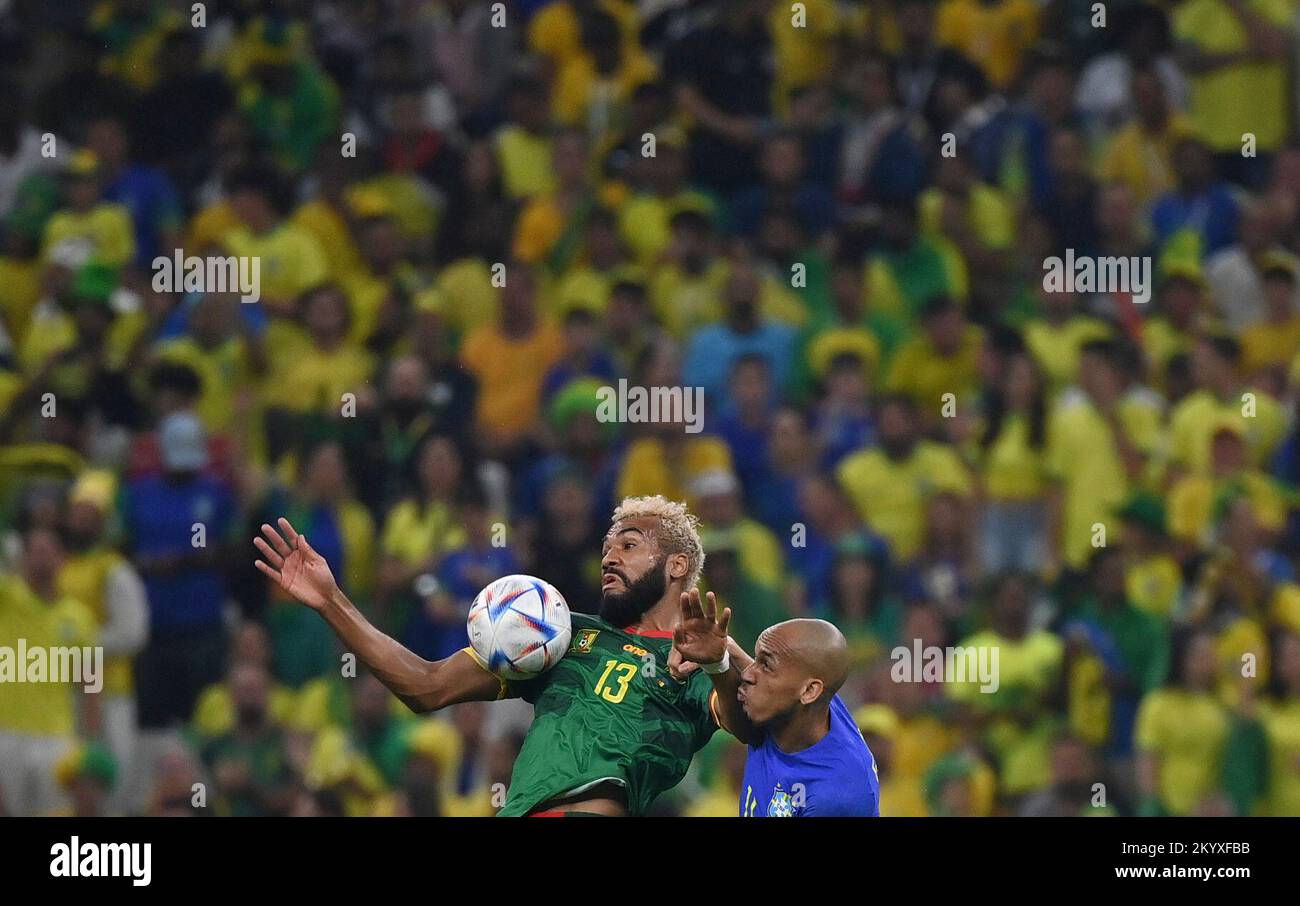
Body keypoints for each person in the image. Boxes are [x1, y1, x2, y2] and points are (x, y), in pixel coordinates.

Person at [254, 495, 758, 816]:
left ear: (677, 564)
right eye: (607, 546)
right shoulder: (557, 632)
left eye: (629, 545)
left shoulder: (702, 650)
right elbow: (426, 687)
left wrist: (718, 667)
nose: (609, 556)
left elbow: (748, 725)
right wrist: (332, 601)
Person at [672, 603, 880, 817]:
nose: (748, 674)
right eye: (757, 659)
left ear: (810, 690)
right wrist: (722, 657)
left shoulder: (836, 796)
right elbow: (745, 726)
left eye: (766, 665)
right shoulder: (805, 705)